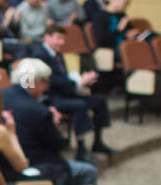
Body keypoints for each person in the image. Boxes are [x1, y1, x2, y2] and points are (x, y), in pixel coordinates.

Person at [2, 58, 98, 185]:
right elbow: (58, 145)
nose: (47, 87)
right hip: (32, 164)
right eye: (46, 82)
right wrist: (53, 123)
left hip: (6, 160)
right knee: (88, 171)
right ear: (34, 82)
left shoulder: (2, 94)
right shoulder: (39, 111)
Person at [31, 22, 114, 159]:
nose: (62, 42)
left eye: (63, 39)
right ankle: (81, 150)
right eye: (58, 38)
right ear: (47, 37)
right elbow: (49, 82)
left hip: (65, 92)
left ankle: (97, 142)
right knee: (79, 106)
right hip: (51, 97)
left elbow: (63, 77)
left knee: (99, 100)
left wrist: (81, 81)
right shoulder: (40, 55)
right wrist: (78, 82)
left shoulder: (57, 54)